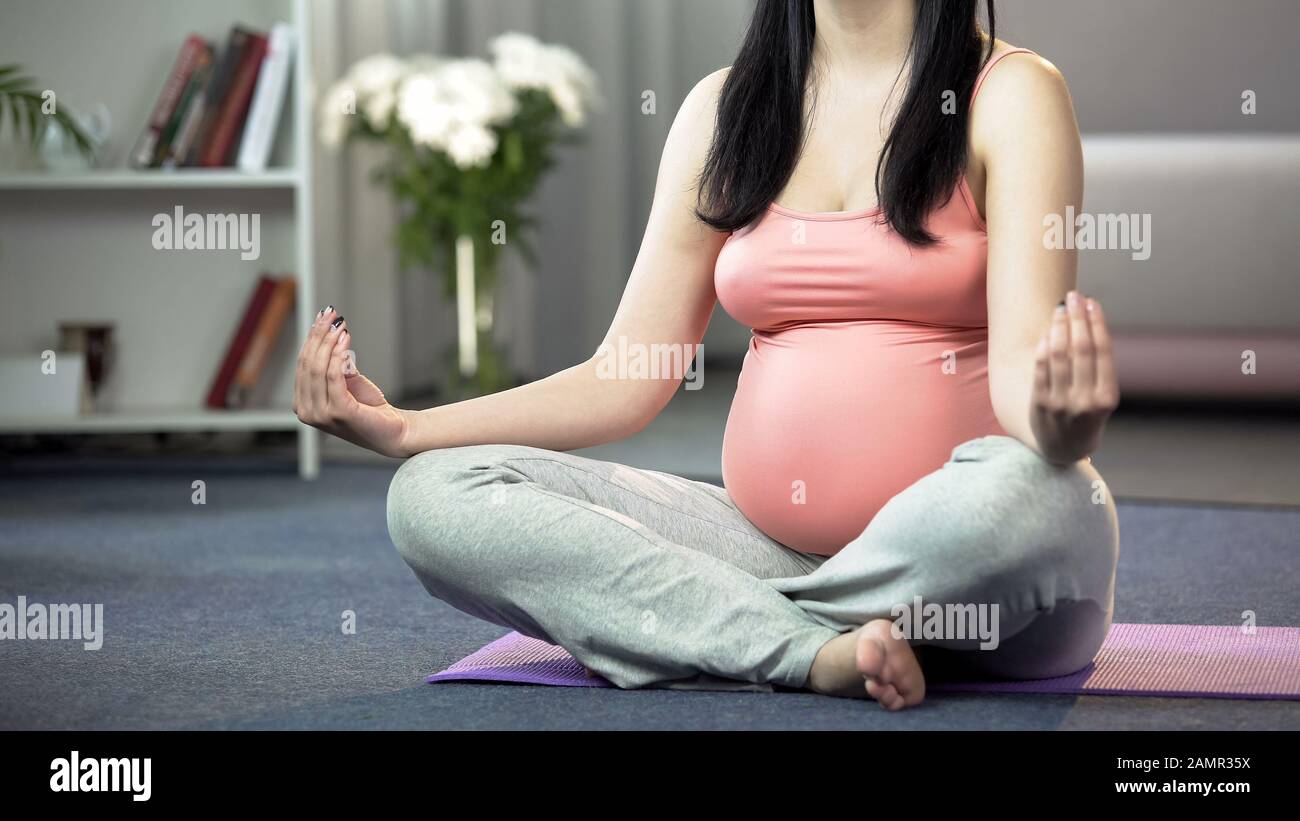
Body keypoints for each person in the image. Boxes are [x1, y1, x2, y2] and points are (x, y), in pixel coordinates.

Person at [294, 0, 1120, 710]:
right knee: (433, 494)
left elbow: (1022, 384)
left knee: (1037, 497)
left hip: (972, 568)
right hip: (764, 545)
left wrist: (1059, 426)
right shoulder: (725, 110)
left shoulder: (1011, 95)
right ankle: (811, 651)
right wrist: (407, 429)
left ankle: (728, 626)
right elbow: (623, 378)